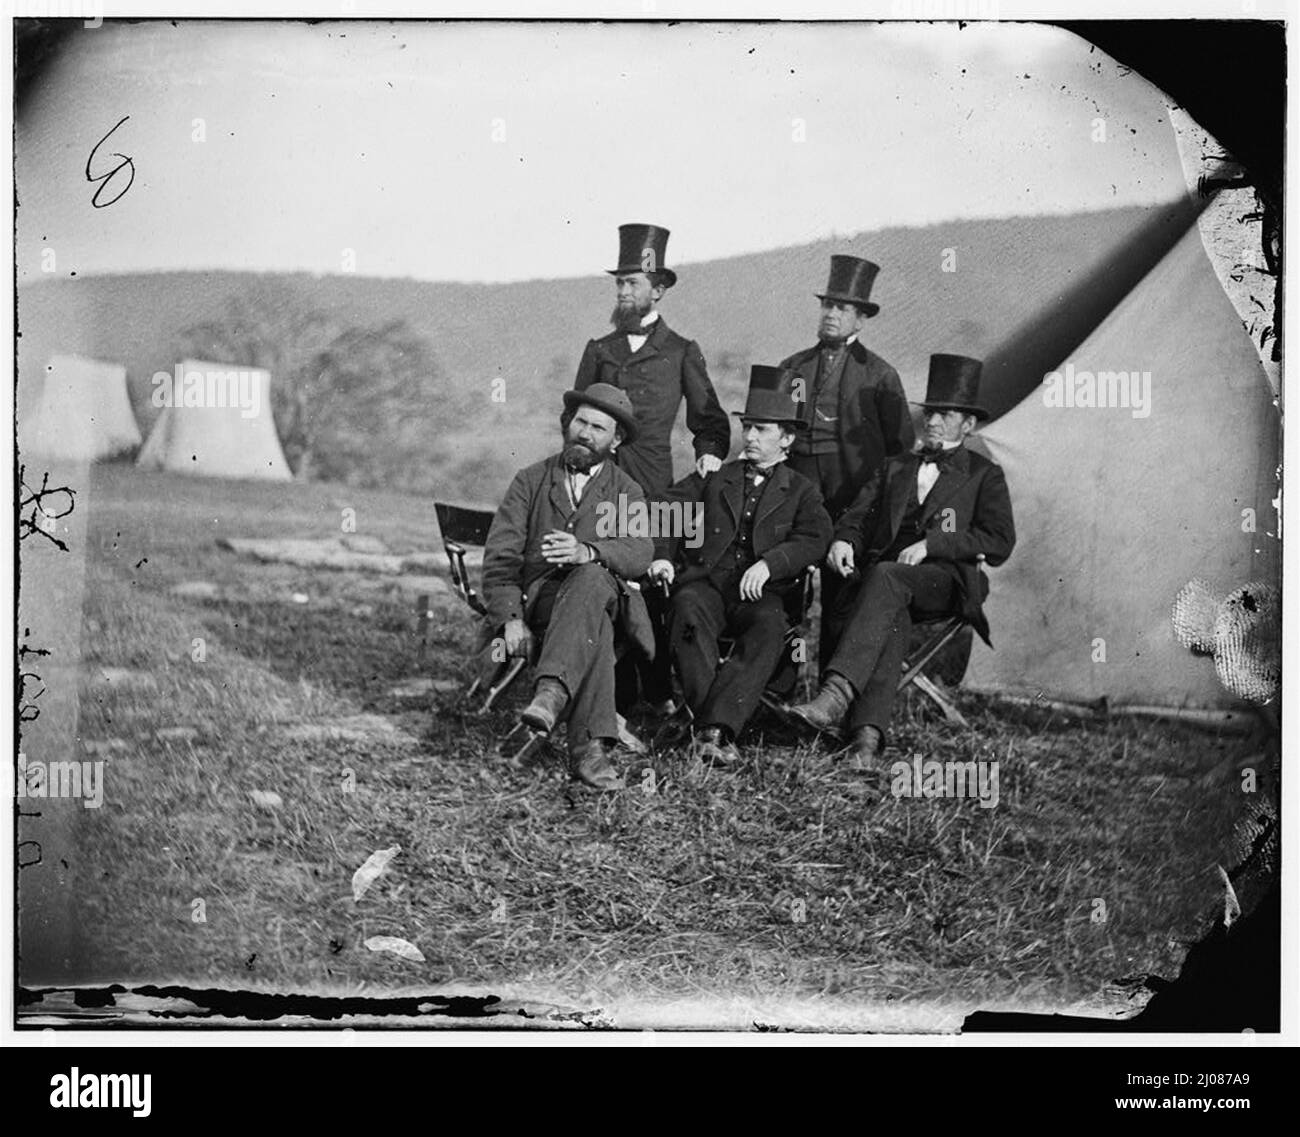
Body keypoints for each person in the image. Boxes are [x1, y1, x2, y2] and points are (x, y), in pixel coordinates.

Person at [785, 354, 1015, 769]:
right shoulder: (896, 466)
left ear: (968, 425)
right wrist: (842, 540)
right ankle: (866, 739)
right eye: (930, 413)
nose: (932, 421)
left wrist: (934, 544)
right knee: (888, 599)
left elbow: (1000, 541)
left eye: (944, 415)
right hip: (889, 585)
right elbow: (857, 517)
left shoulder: (984, 474)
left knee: (887, 580)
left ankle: (834, 697)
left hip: (946, 581)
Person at [574, 222, 731, 710]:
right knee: (597, 567)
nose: (624, 292)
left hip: (653, 485)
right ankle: (607, 693)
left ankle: (657, 692)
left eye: (633, 283)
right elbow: (573, 415)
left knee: (654, 576)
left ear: (658, 290)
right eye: (619, 283)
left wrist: (709, 451)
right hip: (599, 481)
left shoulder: (682, 351)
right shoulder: (600, 350)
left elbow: (710, 418)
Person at [649, 366, 832, 764]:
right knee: (686, 607)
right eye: (747, 427)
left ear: (786, 438)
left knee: (768, 627)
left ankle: (709, 728)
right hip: (708, 584)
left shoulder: (802, 490)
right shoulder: (717, 476)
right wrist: (663, 556)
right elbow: (667, 508)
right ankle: (715, 728)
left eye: (760, 429)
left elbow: (815, 539)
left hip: (762, 595)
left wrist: (770, 564)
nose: (748, 437)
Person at [479, 383, 654, 791]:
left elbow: (640, 551)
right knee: (595, 630)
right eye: (580, 422)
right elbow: (501, 557)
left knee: (592, 578)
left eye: (598, 428)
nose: (585, 434)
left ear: (616, 440)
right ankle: (590, 752)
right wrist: (510, 619)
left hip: (606, 597)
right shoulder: (531, 480)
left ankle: (552, 693)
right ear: (567, 423)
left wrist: (588, 551)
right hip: (543, 602)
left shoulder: (626, 490)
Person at [779, 254, 914, 669]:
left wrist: (869, 510)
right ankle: (776, 687)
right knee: (784, 586)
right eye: (828, 306)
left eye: (843, 309)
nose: (832, 315)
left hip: (852, 498)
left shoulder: (880, 375)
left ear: (861, 320)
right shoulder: (794, 367)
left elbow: (900, 451)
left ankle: (827, 699)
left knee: (841, 594)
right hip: (797, 493)